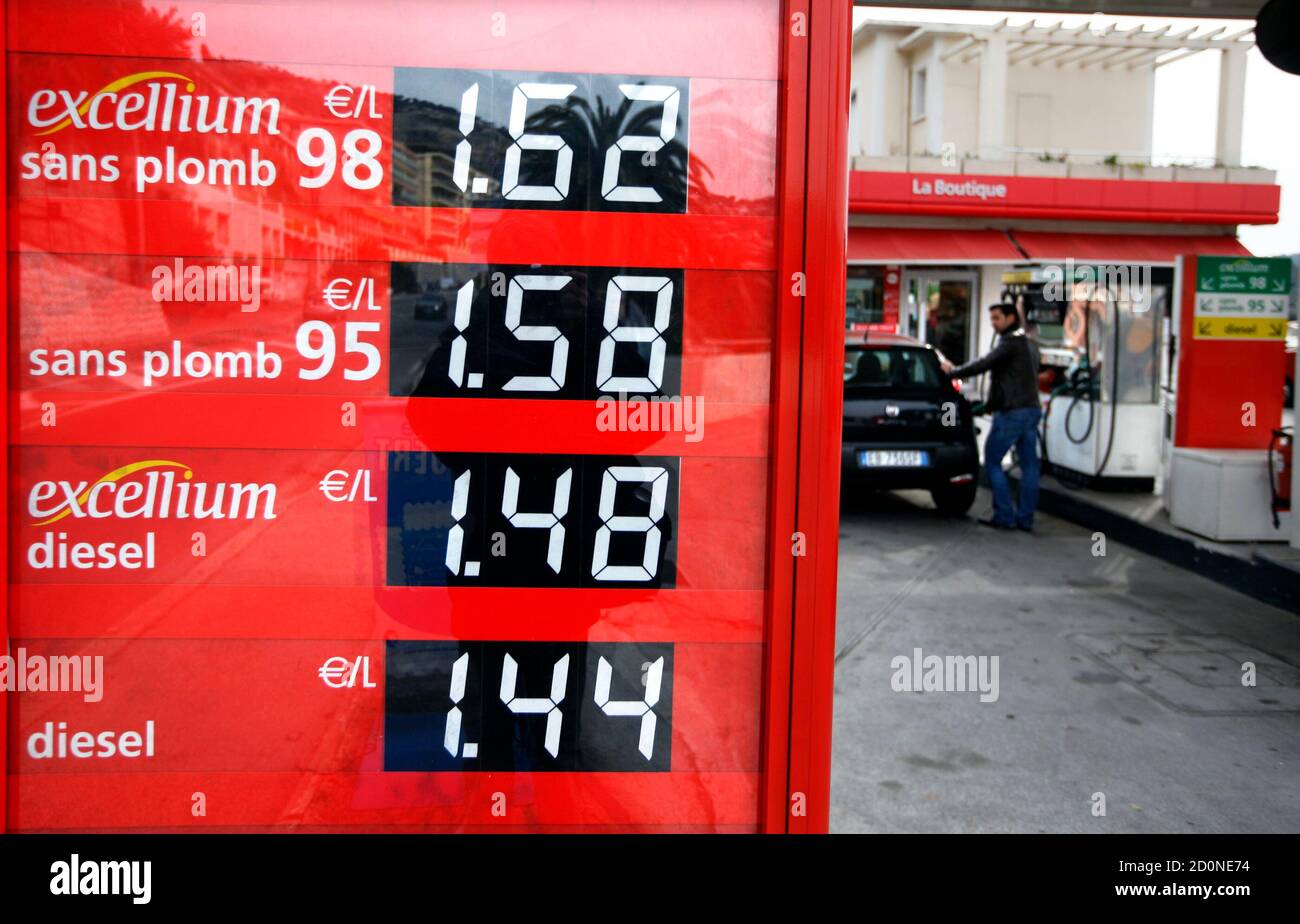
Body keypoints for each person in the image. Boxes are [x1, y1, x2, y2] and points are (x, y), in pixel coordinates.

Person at [940, 302, 1042, 531]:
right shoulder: (1029, 344)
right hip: (1031, 410)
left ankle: (1005, 516)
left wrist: (953, 372)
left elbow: (983, 365)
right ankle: (1026, 519)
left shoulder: (1011, 343)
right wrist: (988, 406)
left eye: (996, 318)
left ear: (1010, 317)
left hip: (1012, 413)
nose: (993, 324)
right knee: (1030, 465)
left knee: (993, 460)